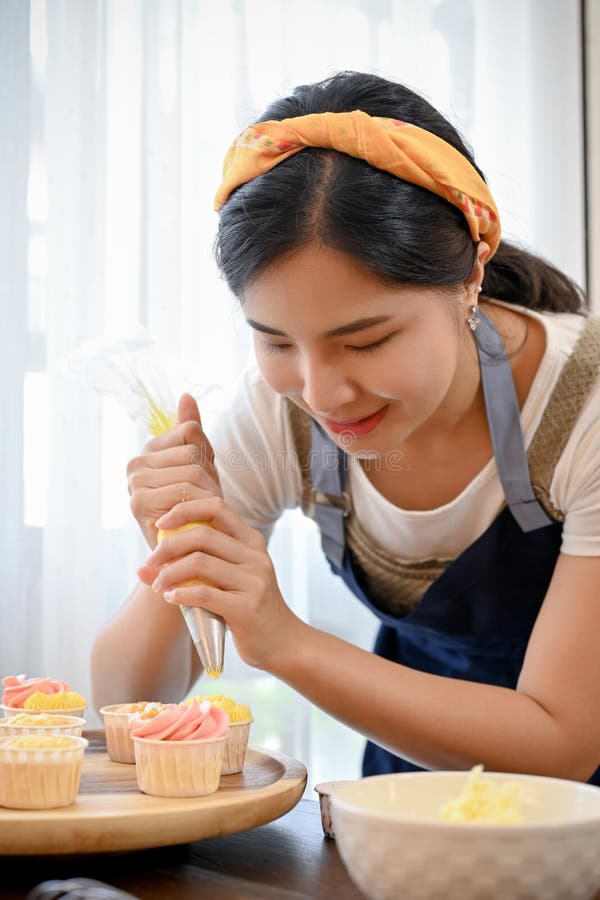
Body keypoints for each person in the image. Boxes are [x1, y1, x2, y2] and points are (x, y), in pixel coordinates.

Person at [91, 71, 600, 783]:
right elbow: (124, 700)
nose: (321, 392)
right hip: (411, 804)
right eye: (275, 342)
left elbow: (563, 747)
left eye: (366, 341)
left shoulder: (585, 410)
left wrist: (284, 643)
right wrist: (179, 553)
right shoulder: (278, 412)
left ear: (470, 275)